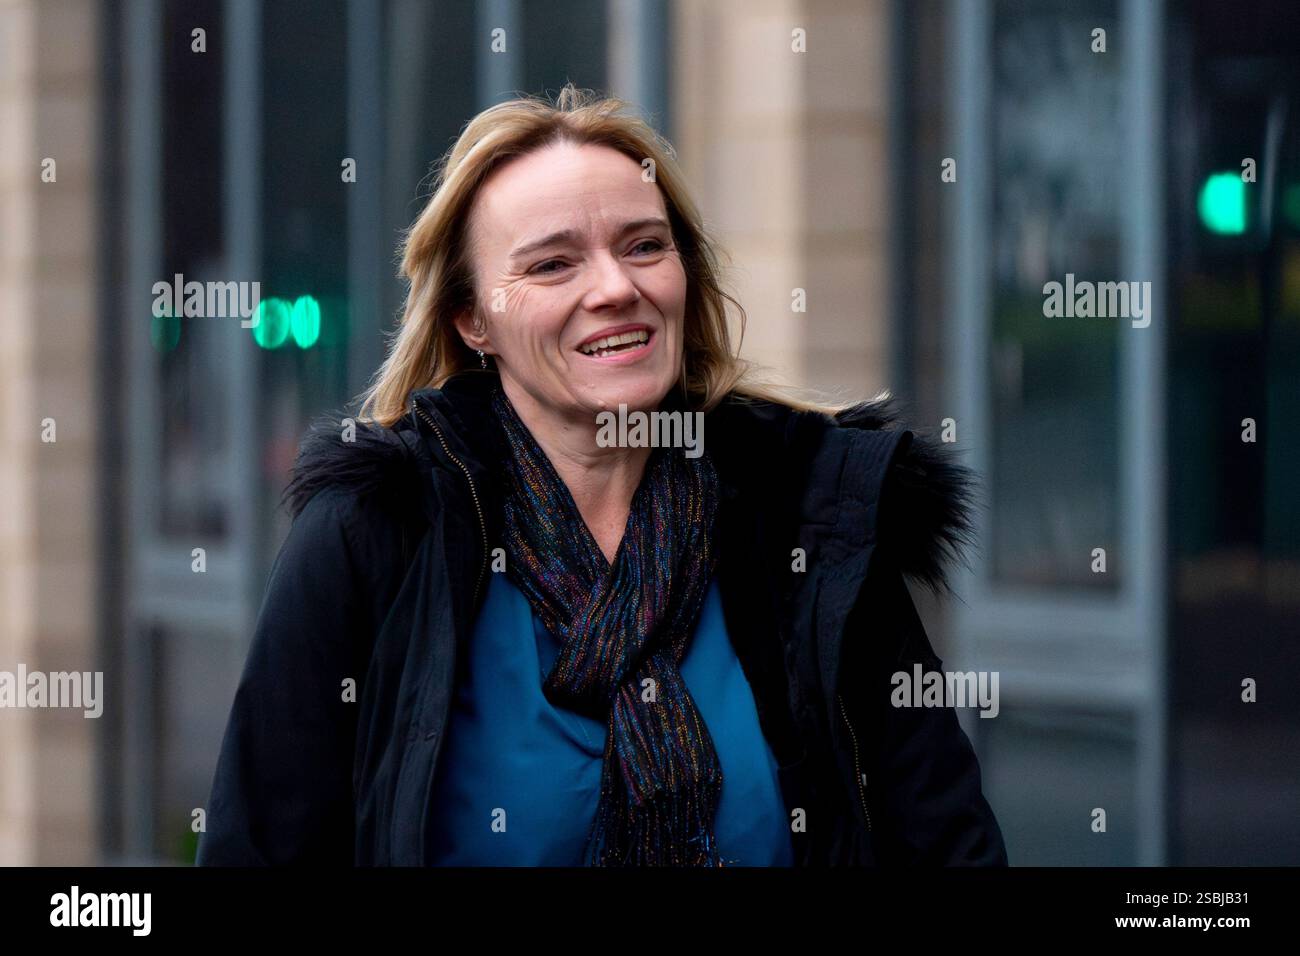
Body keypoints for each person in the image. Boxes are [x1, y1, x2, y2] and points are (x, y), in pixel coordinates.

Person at [196, 84, 1007, 867]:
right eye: (552, 266)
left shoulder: (811, 513)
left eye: (644, 246)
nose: (616, 288)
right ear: (474, 319)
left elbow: (944, 840)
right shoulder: (376, 528)